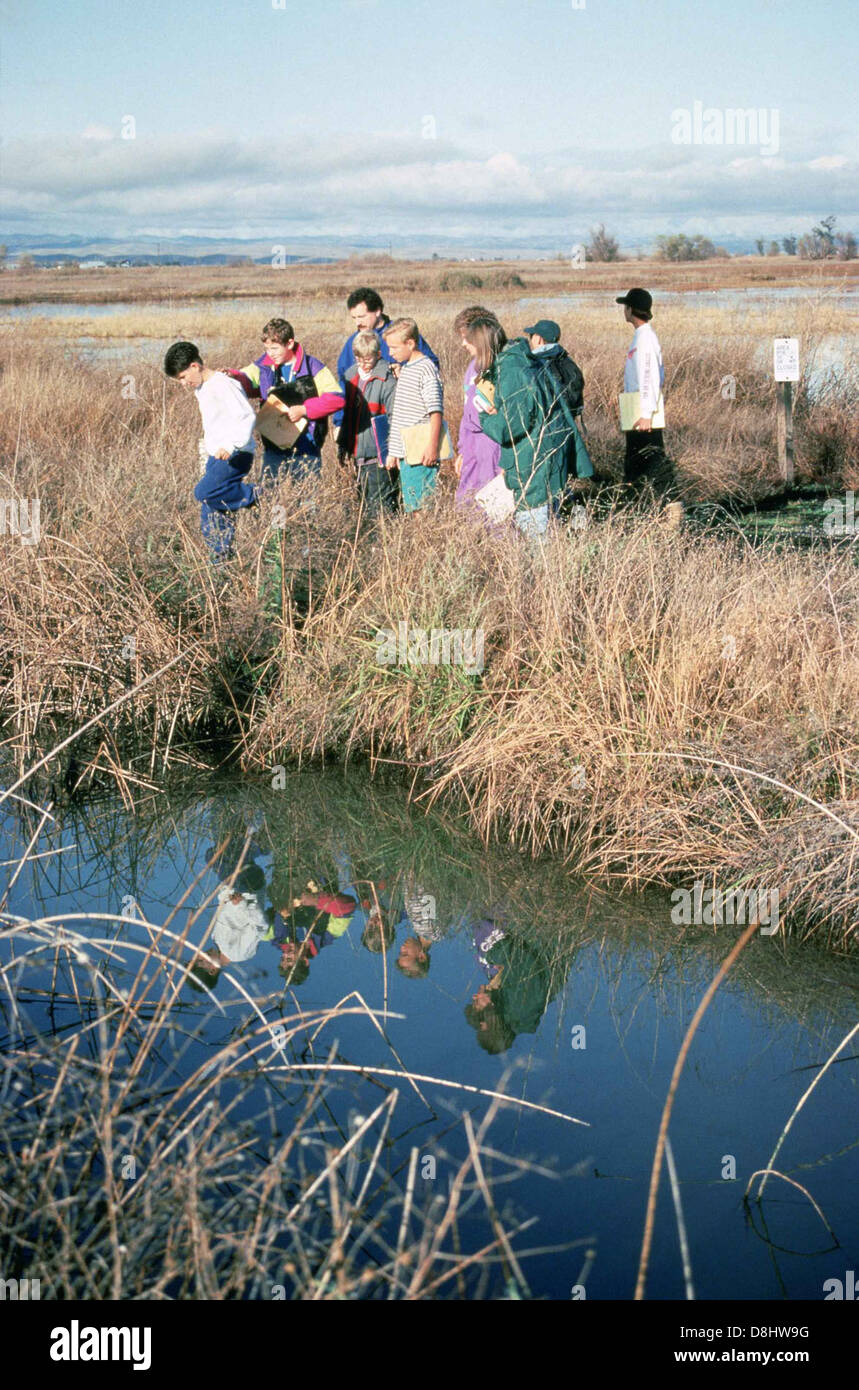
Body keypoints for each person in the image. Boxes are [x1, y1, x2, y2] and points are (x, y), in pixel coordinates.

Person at [164, 340, 256, 564]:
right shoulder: (202, 389)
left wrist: (232, 445)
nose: (184, 383)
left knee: (202, 493)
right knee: (212, 508)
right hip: (217, 456)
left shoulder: (223, 384)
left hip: (235, 454)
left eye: (184, 377)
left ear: (195, 366)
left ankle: (257, 495)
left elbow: (247, 416)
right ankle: (220, 561)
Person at [477, 333, 577, 539]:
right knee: (544, 525)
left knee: (535, 537)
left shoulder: (513, 371)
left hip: (532, 469)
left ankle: (540, 570)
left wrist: (485, 417)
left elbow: (510, 428)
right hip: (545, 464)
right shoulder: (531, 364)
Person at [229, 318, 344, 486]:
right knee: (270, 493)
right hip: (273, 443)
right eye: (267, 348)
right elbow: (245, 379)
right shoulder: (264, 366)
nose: (270, 353)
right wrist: (232, 375)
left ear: (290, 343)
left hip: (307, 444)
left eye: (275, 348)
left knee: (307, 495)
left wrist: (304, 410)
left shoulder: (312, 366)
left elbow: (336, 398)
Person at [524, 319, 593, 502]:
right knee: (561, 480)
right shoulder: (566, 361)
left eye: (531, 336)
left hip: (543, 434)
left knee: (544, 484)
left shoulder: (535, 364)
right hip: (566, 430)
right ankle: (567, 514)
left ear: (538, 339)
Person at [615, 288, 673, 495]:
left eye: (625, 307)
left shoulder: (646, 339)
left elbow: (651, 376)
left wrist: (647, 414)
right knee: (638, 464)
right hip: (638, 411)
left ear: (631, 309)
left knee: (652, 463)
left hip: (644, 415)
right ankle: (641, 510)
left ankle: (669, 511)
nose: (624, 311)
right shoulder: (640, 337)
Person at [384, 318, 445, 513]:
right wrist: (394, 451)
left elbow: (435, 412)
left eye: (394, 348)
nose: (390, 353)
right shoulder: (407, 368)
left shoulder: (425, 368)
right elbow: (401, 416)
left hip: (421, 452)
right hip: (407, 453)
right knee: (412, 506)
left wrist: (432, 447)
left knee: (422, 508)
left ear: (410, 343)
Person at [338, 330, 399, 519]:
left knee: (382, 507)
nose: (363, 364)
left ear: (378, 355)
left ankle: (383, 546)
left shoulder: (387, 379)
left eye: (368, 360)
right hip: (355, 454)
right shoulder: (349, 376)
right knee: (362, 506)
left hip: (378, 455)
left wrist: (392, 453)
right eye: (358, 358)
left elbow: (394, 417)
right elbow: (342, 410)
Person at [337, 288, 438, 391]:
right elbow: (343, 378)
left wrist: (404, 373)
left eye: (362, 316)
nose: (357, 323)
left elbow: (431, 365)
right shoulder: (353, 342)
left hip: (399, 399)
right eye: (354, 318)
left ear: (377, 311)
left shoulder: (401, 333)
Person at [453, 309, 504, 506]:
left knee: (494, 503)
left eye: (467, 338)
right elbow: (467, 412)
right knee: (466, 502)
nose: (463, 344)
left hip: (492, 445)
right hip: (472, 443)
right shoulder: (472, 367)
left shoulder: (500, 366)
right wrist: (463, 449)